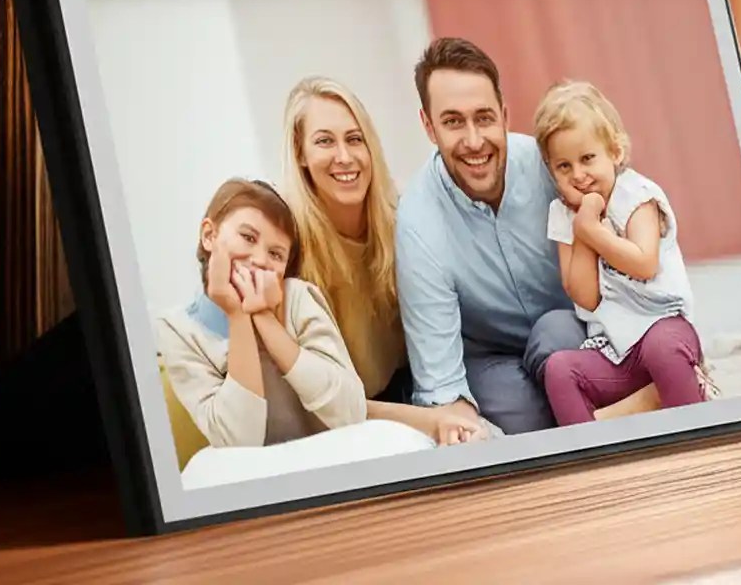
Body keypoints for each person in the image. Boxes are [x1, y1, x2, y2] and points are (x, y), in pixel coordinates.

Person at [281, 76, 490, 445]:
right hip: (344, 421)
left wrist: (450, 409)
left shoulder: (401, 223)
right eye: (325, 141)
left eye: (354, 139)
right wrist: (431, 420)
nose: (344, 157)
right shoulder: (289, 250)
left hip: (413, 390)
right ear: (300, 152)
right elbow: (321, 405)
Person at [395, 37, 583, 435]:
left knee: (561, 336)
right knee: (522, 416)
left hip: (568, 331)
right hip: (491, 360)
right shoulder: (417, 223)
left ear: (504, 114)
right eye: (452, 122)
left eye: (483, 118)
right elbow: (442, 383)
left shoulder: (548, 166)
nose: (474, 141)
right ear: (428, 127)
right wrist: (464, 430)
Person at [532, 80, 711, 425]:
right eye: (563, 166)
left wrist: (593, 231)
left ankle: (694, 429)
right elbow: (585, 296)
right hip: (614, 350)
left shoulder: (637, 194)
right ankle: (593, 453)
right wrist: (584, 224)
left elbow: (644, 263)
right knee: (559, 369)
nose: (579, 175)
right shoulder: (563, 214)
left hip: (665, 327)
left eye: (587, 159)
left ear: (614, 152)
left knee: (662, 349)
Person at [155, 177, 370, 448]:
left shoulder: (298, 298)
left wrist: (265, 318)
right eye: (247, 238)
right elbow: (238, 440)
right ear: (210, 235)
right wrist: (238, 317)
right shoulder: (178, 328)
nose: (259, 260)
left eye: (276, 254)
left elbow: (351, 412)